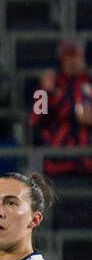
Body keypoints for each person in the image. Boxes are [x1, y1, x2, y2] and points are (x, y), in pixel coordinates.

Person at [30, 39, 92, 178]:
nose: (72, 62)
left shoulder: (89, 83)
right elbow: (36, 119)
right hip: (57, 160)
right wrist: (47, 92)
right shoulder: (45, 88)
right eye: (67, 57)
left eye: (75, 56)